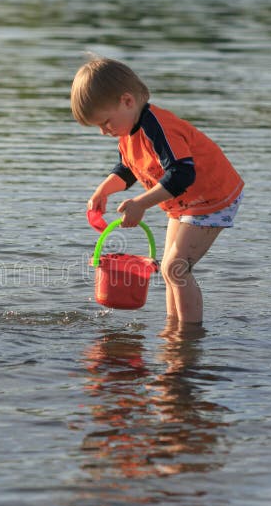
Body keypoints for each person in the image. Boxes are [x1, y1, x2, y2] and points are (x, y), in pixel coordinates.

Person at [71, 57, 244, 325]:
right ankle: (172, 328)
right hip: (184, 203)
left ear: (127, 101)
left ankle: (188, 336)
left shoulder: (159, 127)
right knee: (169, 270)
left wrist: (140, 204)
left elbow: (182, 173)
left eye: (105, 123)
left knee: (176, 269)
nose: (104, 132)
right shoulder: (128, 132)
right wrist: (104, 190)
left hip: (212, 197)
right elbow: (127, 169)